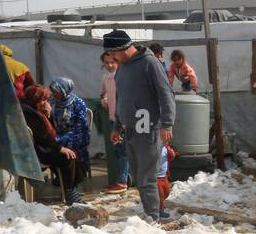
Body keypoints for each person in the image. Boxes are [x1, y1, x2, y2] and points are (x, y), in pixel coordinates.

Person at [103, 29, 175, 222]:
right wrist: (117, 125)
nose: (111, 58)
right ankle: (150, 211)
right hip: (130, 127)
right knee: (136, 175)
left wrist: (167, 124)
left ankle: (153, 217)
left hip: (148, 126)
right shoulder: (123, 68)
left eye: (113, 53)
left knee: (147, 176)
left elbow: (166, 93)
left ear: (122, 48)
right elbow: (121, 98)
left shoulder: (149, 63)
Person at [21, 85, 81, 206]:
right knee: (68, 157)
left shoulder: (33, 109)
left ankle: (66, 185)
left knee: (71, 151)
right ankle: (70, 192)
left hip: (40, 147)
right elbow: (43, 137)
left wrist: (48, 116)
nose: (45, 103)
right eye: (43, 100)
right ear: (35, 99)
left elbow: (50, 132)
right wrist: (59, 148)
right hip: (36, 151)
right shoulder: (29, 113)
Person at [48, 77, 92, 187]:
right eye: (53, 91)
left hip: (76, 133)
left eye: (56, 91)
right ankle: (61, 176)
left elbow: (81, 124)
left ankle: (73, 178)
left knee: (64, 146)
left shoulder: (77, 102)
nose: (54, 94)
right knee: (48, 146)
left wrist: (67, 136)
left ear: (64, 89)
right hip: (59, 132)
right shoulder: (53, 101)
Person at [99, 53, 128, 192]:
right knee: (118, 150)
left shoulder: (122, 76)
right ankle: (123, 179)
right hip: (112, 119)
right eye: (106, 62)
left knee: (122, 150)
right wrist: (103, 99)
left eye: (112, 62)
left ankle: (122, 181)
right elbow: (103, 92)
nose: (110, 65)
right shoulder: (105, 77)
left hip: (122, 119)